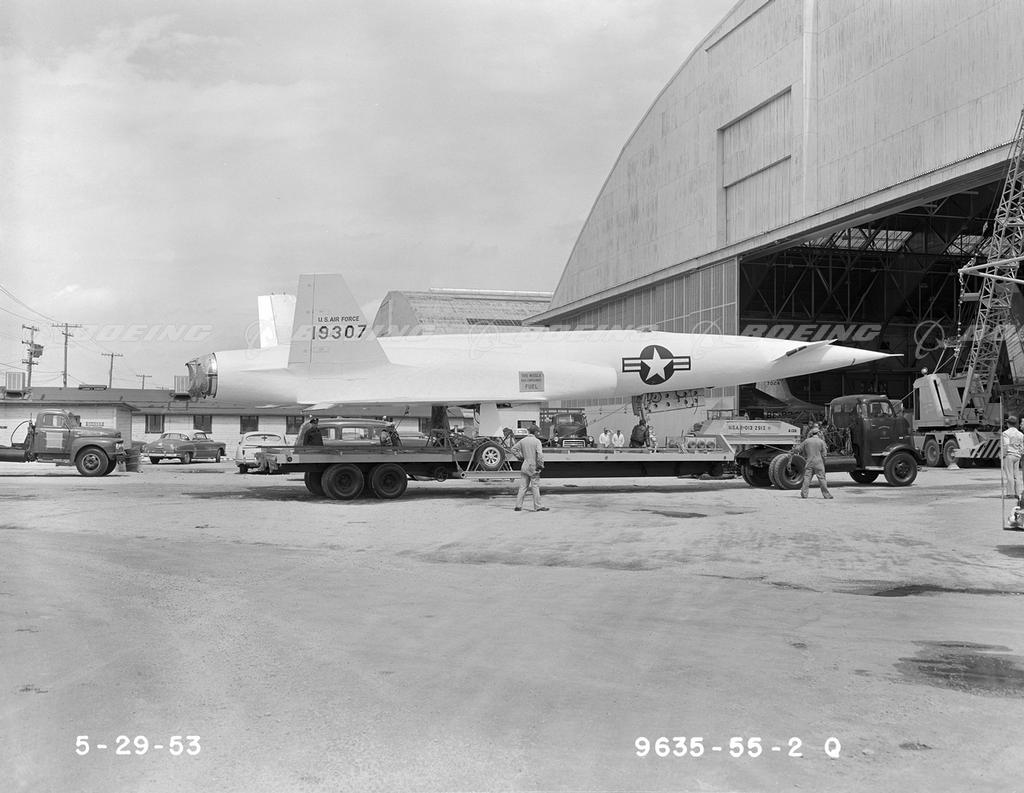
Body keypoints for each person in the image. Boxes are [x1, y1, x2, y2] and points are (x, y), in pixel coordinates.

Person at [511, 425, 548, 512]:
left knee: (523, 487)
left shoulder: (523, 441)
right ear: (535, 432)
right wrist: (540, 465)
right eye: (538, 431)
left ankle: (518, 506)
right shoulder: (537, 441)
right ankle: (538, 506)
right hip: (533, 467)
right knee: (535, 487)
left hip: (525, 465)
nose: (538, 433)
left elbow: (513, 449)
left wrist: (520, 457)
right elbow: (540, 455)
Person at [789, 425, 832, 499]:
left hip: (809, 463)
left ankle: (804, 494)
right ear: (818, 433)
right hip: (819, 463)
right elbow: (824, 455)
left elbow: (798, 449)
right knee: (822, 479)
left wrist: (792, 451)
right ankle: (826, 495)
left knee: (807, 478)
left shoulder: (807, 441)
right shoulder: (821, 442)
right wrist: (823, 463)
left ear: (812, 433)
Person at [1001, 415, 1024, 500]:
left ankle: (1010, 493)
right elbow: (1022, 446)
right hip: (1017, 455)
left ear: (1008, 423)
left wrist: (1003, 454)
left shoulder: (1006, 433)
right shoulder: (1020, 434)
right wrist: (1019, 453)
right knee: (1016, 474)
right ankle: (1017, 493)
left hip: (1009, 454)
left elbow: (1006, 445)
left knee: (1009, 474)